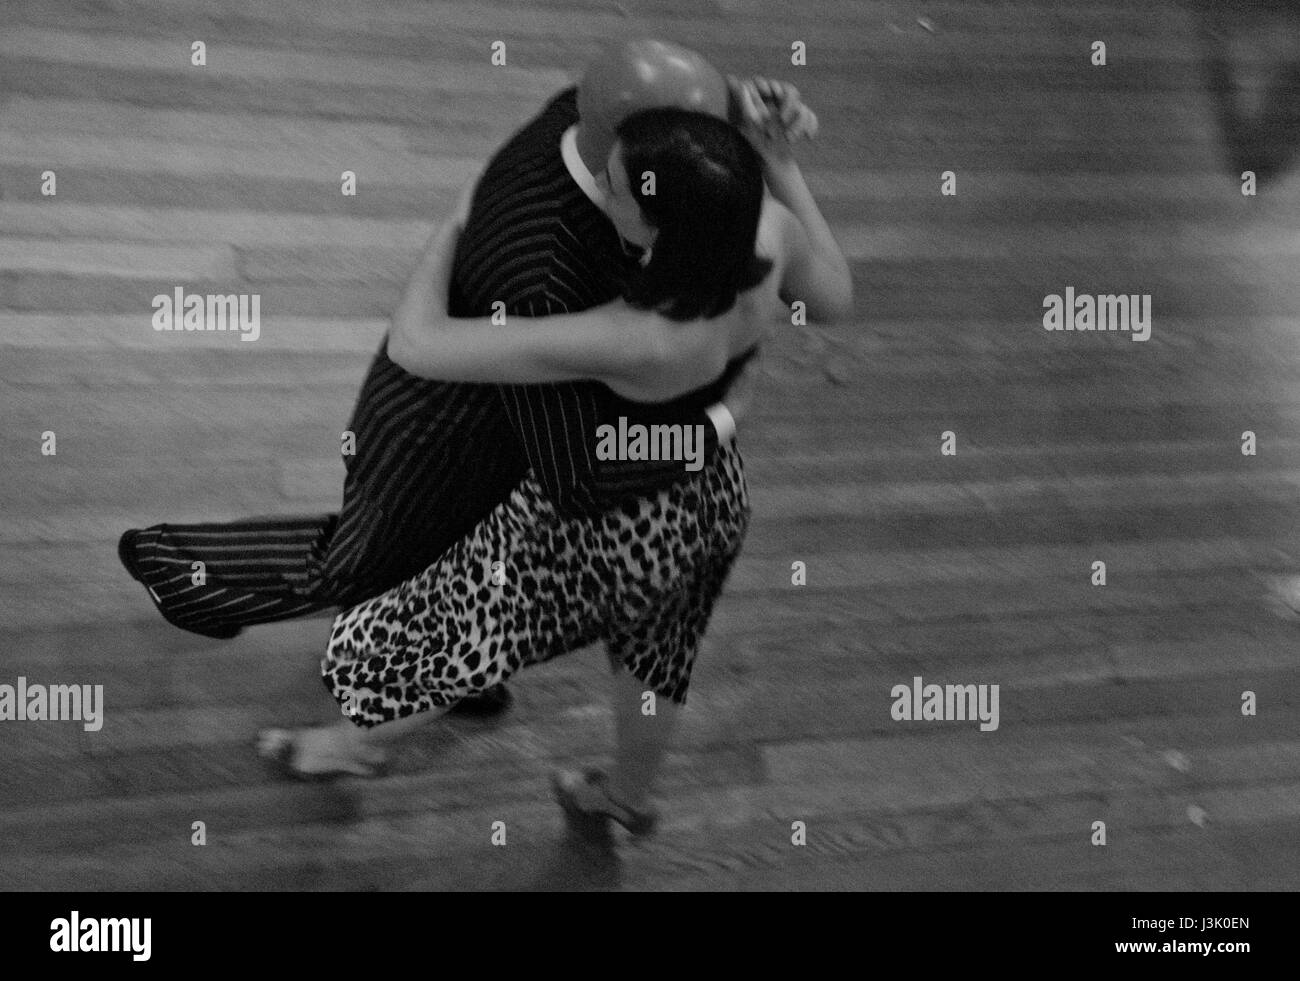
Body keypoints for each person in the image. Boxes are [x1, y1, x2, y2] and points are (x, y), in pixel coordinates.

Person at [116, 41, 784, 718]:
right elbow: (579, 475)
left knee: (436, 564)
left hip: (500, 413)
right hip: (443, 436)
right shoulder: (547, 278)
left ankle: (445, 671)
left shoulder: (581, 118)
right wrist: (716, 427)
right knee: (358, 563)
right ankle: (179, 571)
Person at [259, 84, 852, 840]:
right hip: (707, 501)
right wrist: (780, 164)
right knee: (658, 651)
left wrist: (458, 222)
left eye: (617, 184)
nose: (600, 181)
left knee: (464, 625)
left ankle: (349, 745)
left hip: (605, 520)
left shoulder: (633, 334)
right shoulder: (766, 233)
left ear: (661, 229)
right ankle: (629, 795)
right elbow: (836, 297)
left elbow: (419, 343)